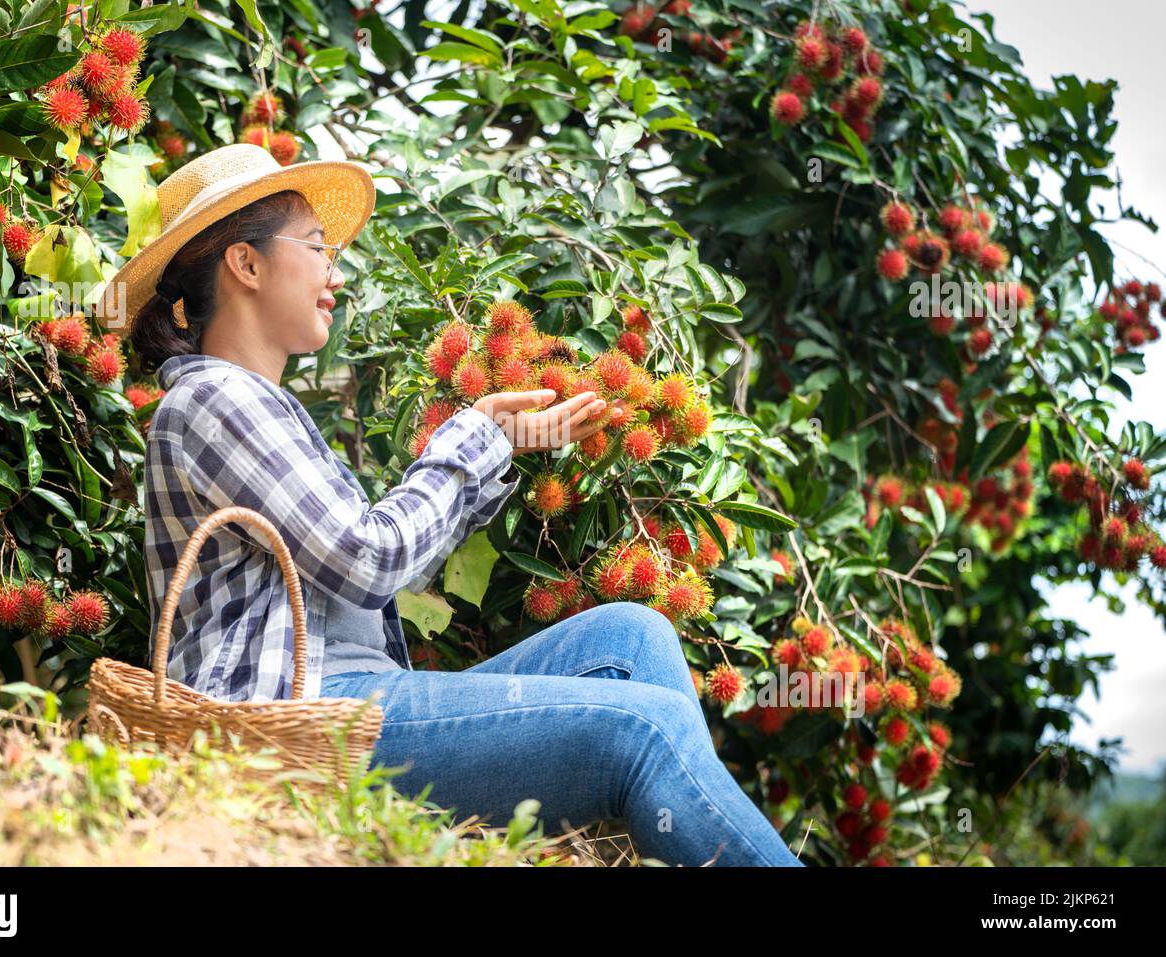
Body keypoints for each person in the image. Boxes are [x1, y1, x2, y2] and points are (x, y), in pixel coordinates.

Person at [98, 143, 803, 867]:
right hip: (299, 726)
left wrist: (503, 445)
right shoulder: (212, 397)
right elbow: (369, 560)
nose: (334, 271)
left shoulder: (259, 404)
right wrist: (473, 434)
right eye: (316, 246)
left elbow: (379, 568)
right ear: (245, 264)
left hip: (358, 702)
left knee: (634, 633)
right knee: (643, 732)